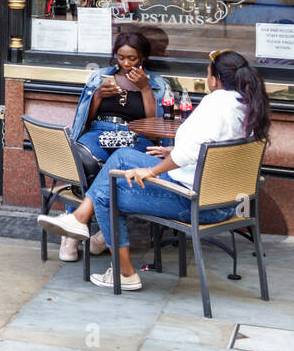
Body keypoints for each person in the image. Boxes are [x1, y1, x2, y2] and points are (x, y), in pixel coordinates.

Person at [39, 50, 270, 292]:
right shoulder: (249, 104)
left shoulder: (215, 103)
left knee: (109, 192)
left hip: (196, 203)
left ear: (216, 79)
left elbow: (189, 153)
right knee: (122, 156)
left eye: (208, 74)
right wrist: (172, 153)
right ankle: (80, 220)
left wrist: (152, 170)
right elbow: (214, 150)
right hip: (227, 201)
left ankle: (123, 271)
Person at [59, 30, 169, 260]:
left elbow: (154, 128)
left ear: (143, 58)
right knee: (82, 160)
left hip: (135, 135)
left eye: (132, 58)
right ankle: (71, 234)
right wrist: (98, 95)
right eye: (121, 57)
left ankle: (102, 233)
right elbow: (85, 120)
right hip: (99, 130)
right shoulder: (100, 77)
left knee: (120, 168)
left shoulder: (157, 84)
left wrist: (145, 89)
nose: (126, 63)